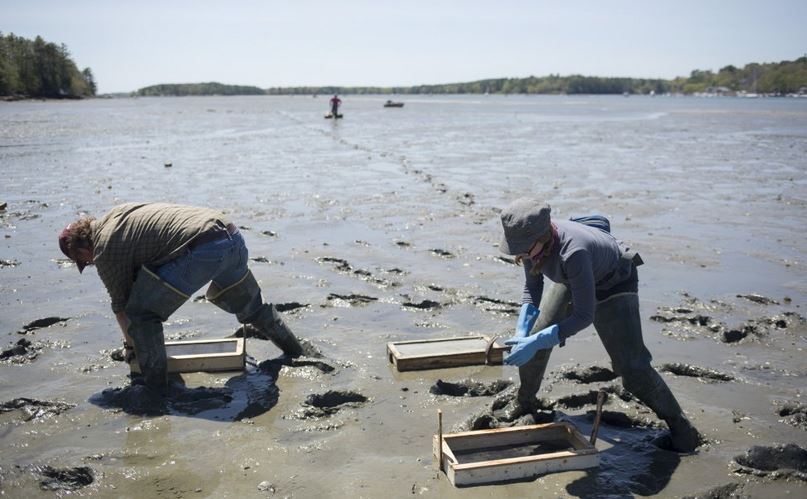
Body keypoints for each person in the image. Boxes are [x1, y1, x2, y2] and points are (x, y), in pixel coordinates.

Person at [498, 198, 701, 452]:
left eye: (526, 251)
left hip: (613, 281)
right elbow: (532, 287)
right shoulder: (529, 244)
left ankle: (682, 430)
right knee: (536, 337)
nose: (522, 256)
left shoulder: (573, 252)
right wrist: (522, 333)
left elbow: (583, 316)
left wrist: (537, 341)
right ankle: (525, 401)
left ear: (544, 236)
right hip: (575, 276)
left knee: (633, 368)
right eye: (518, 251)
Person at [58, 202, 304, 392]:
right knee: (251, 308)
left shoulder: (104, 248)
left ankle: (155, 388)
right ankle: (296, 351)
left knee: (142, 315)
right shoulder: (117, 215)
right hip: (230, 234)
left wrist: (132, 348)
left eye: (84, 261)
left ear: (81, 249)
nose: (89, 264)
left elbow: (122, 308)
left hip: (203, 248)